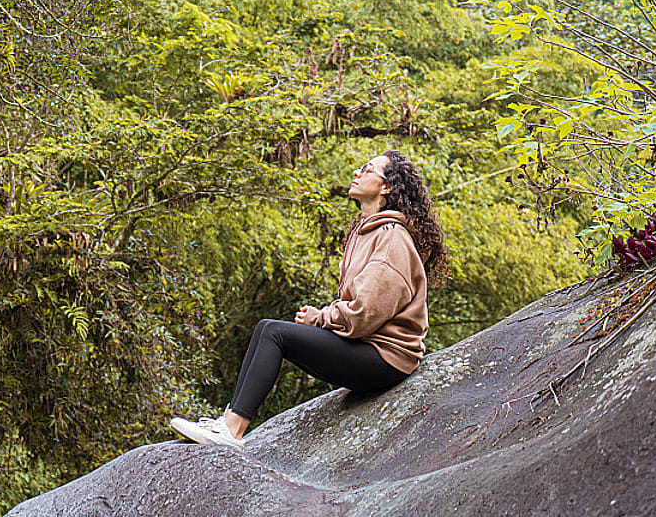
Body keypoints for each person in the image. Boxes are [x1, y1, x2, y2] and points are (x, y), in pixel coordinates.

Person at [170, 149, 449, 449]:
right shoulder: (365, 231)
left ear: (386, 187)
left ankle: (232, 431)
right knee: (267, 327)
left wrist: (321, 318)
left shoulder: (392, 236)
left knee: (275, 334)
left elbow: (365, 313)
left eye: (367, 170)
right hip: (367, 346)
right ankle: (227, 423)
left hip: (385, 358)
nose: (356, 172)